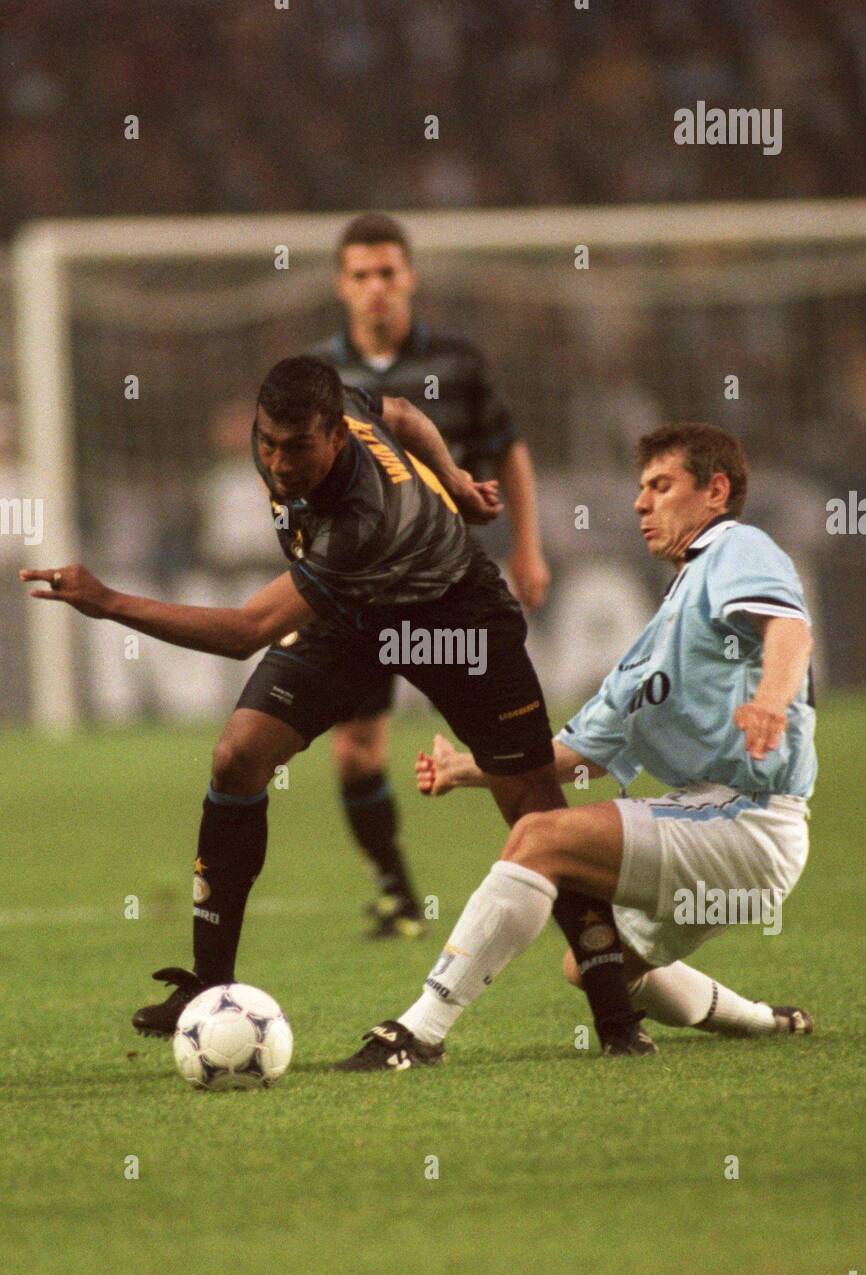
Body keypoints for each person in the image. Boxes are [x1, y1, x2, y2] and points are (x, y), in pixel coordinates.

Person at [21, 357, 647, 1054]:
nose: (279, 463)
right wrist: (460, 485)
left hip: (455, 620)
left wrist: (108, 602)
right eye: (267, 442)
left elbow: (245, 633)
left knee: (533, 809)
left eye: (297, 448)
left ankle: (619, 1021)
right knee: (238, 756)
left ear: (338, 438)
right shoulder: (332, 405)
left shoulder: (363, 516)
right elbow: (405, 415)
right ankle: (207, 985)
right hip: (353, 620)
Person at [338, 423, 815, 1069]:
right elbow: (574, 756)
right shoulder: (659, 637)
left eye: (661, 485)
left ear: (716, 491)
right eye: (640, 488)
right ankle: (765, 1023)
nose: (642, 503)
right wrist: (466, 769)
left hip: (749, 818)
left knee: (542, 837)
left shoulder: (733, 546)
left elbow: (789, 627)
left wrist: (773, 700)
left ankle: (419, 1032)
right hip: (724, 836)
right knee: (595, 967)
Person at [313, 213, 550, 940]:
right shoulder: (320, 377)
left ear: (410, 276)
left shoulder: (460, 361)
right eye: (361, 275)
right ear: (341, 286)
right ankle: (396, 891)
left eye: (388, 272)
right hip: (357, 590)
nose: (377, 288)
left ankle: (550, 874)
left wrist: (529, 547)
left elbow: (508, 451)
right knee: (355, 748)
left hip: (451, 588)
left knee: (503, 750)